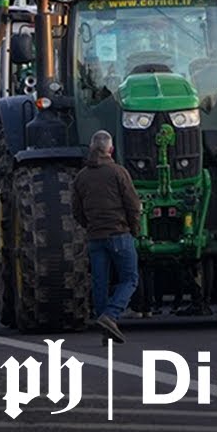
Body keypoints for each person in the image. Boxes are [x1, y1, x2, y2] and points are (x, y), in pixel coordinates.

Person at [72, 130, 142, 344]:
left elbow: (77, 211)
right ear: (110, 149)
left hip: (95, 237)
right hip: (119, 233)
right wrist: (134, 229)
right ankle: (111, 315)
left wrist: (90, 226)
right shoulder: (118, 172)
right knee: (130, 278)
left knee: (100, 282)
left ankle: (106, 333)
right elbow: (133, 205)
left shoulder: (81, 177)